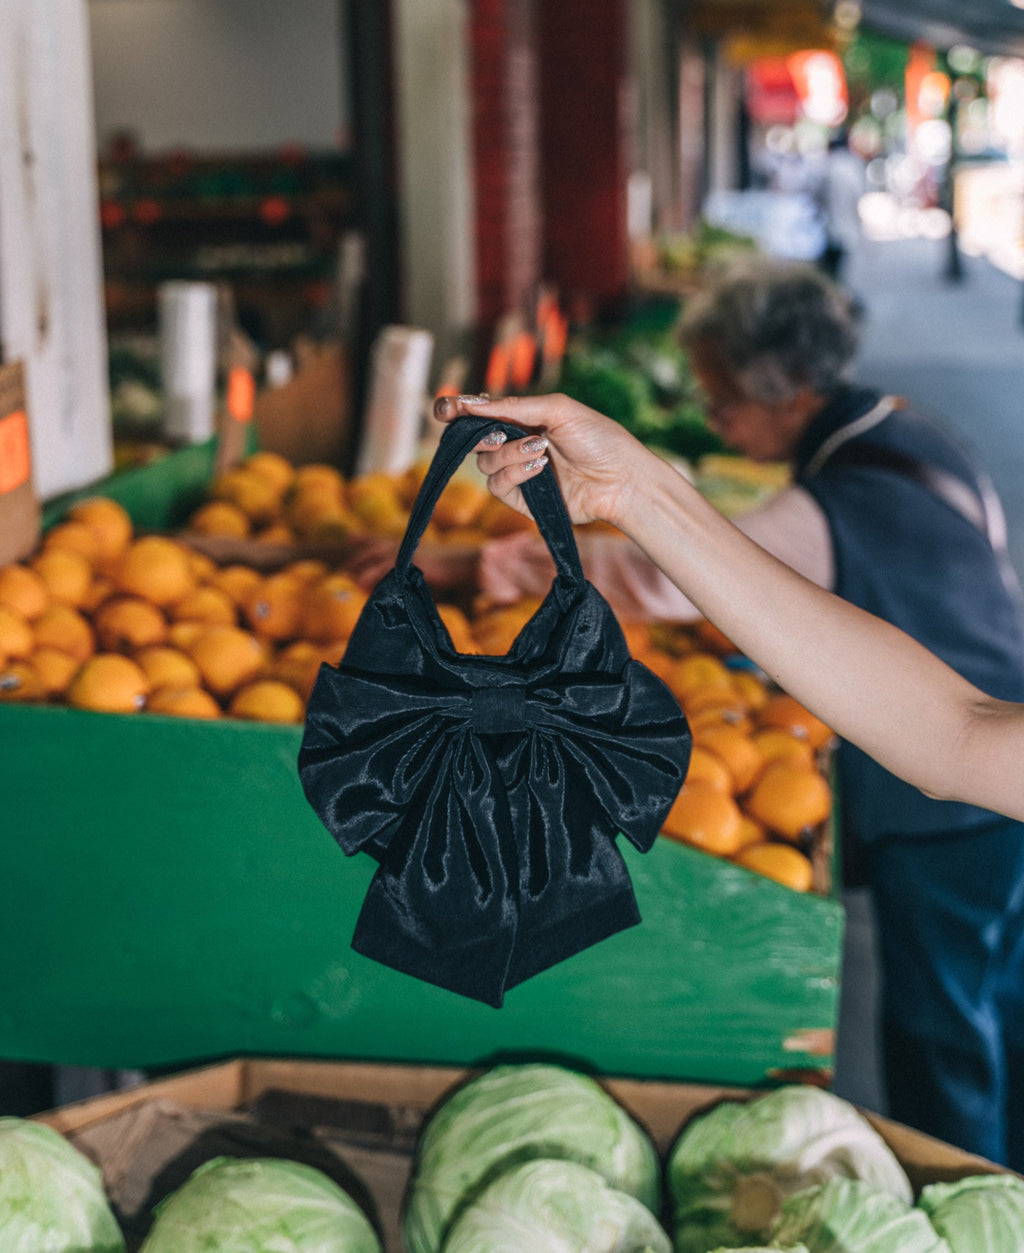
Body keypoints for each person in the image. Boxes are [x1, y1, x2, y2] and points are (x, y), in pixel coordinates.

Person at [430, 258, 1024, 1171]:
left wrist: (503, 565)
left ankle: (973, 1168)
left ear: (781, 390)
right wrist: (636, 489)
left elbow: (673, 584)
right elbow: (957, 734)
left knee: (943, 1021)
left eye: (721, 403)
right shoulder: (911, 432)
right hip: (970, 770)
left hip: (946, 827)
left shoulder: (841, 494)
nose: (714, 422)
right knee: (994, 994)